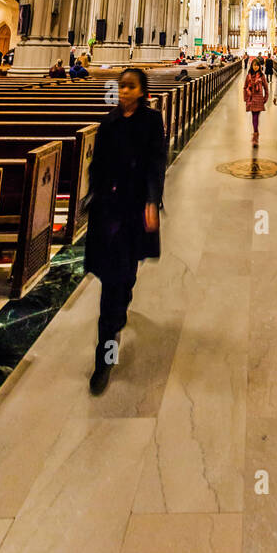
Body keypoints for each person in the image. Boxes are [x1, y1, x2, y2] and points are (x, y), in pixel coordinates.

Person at [85, 67, 166, 395]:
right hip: (109, 210)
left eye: (131, 87)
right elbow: (97, 164)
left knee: (126, 273)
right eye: (122, 86)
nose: (125, 92)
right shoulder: (108, 122)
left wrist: (152, 200)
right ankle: (105, 356)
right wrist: (92, 195)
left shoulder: (151, 121)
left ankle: (121, 305)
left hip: (135, 209)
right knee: (110, 281)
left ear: (142, 91)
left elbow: (156, 163)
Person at [243, 56, 269, 145]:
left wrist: (266, 98)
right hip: (251, 99)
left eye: (257, 65)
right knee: (254, 116)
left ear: (259, 66)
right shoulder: (248, 76)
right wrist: (245, 98)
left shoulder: (262, 76)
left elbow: (266, 87)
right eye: (254, 65)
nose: (256, 67)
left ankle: (255, 134)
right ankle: (255, 133)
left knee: (256, 116)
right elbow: (245, 87)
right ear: (252, 66)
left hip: (258, 98)